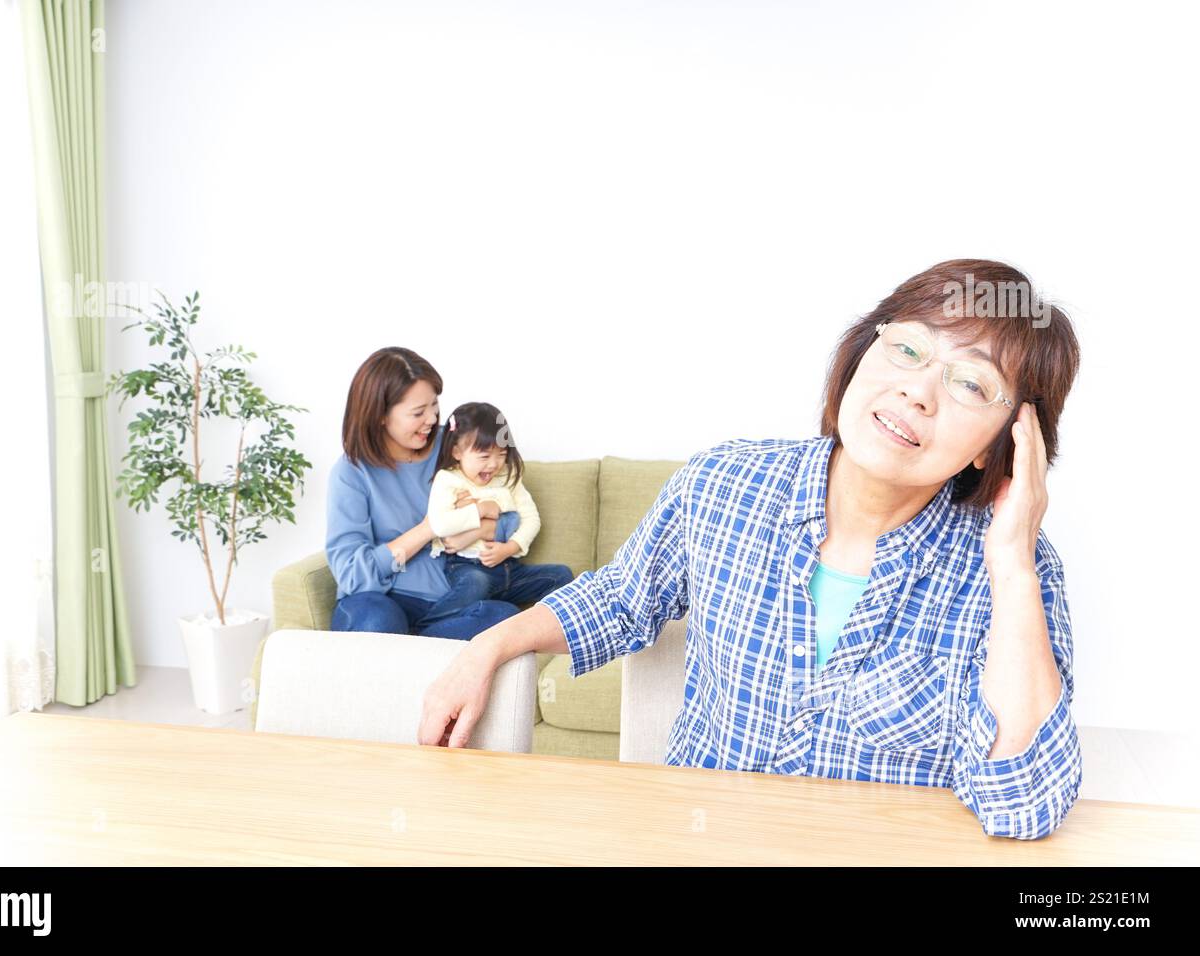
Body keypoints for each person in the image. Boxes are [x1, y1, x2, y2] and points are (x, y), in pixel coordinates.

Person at [418, 259, 1084, 841]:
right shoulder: (724, 483)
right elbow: (620, 599)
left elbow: (1023, 805)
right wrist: (490, 646)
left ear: (1007, 441)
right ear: (859, 355)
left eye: (971, 383)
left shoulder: (1015, 572)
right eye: (907, 350)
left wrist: (1012, 566)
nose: (919, 391)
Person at [326, 347, 522, 639]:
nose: (432, 419)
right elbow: (353, 575)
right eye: (418, 412)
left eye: (434, 405)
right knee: (375, 622)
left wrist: (477, 524)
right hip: (382, 600)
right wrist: (429, 528)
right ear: (380, 416)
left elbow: (512, 517)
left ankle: (417, 646)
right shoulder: (352, 473)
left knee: (505, 618)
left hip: (451, 606)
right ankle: (419, 651)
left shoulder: (457, 447)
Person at [423, 401, 574, 621]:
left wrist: (510, 547)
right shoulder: (448, 479)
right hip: (469, 568)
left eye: (501, 454)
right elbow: (440, 524)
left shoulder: (507, 477)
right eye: (484, 456)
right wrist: (480, 509)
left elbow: (532, 519)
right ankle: (429, 626)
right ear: (456, 451)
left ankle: (534, 627)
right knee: (477, 583)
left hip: (509, 569)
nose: (494, 464)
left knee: (561, 575)